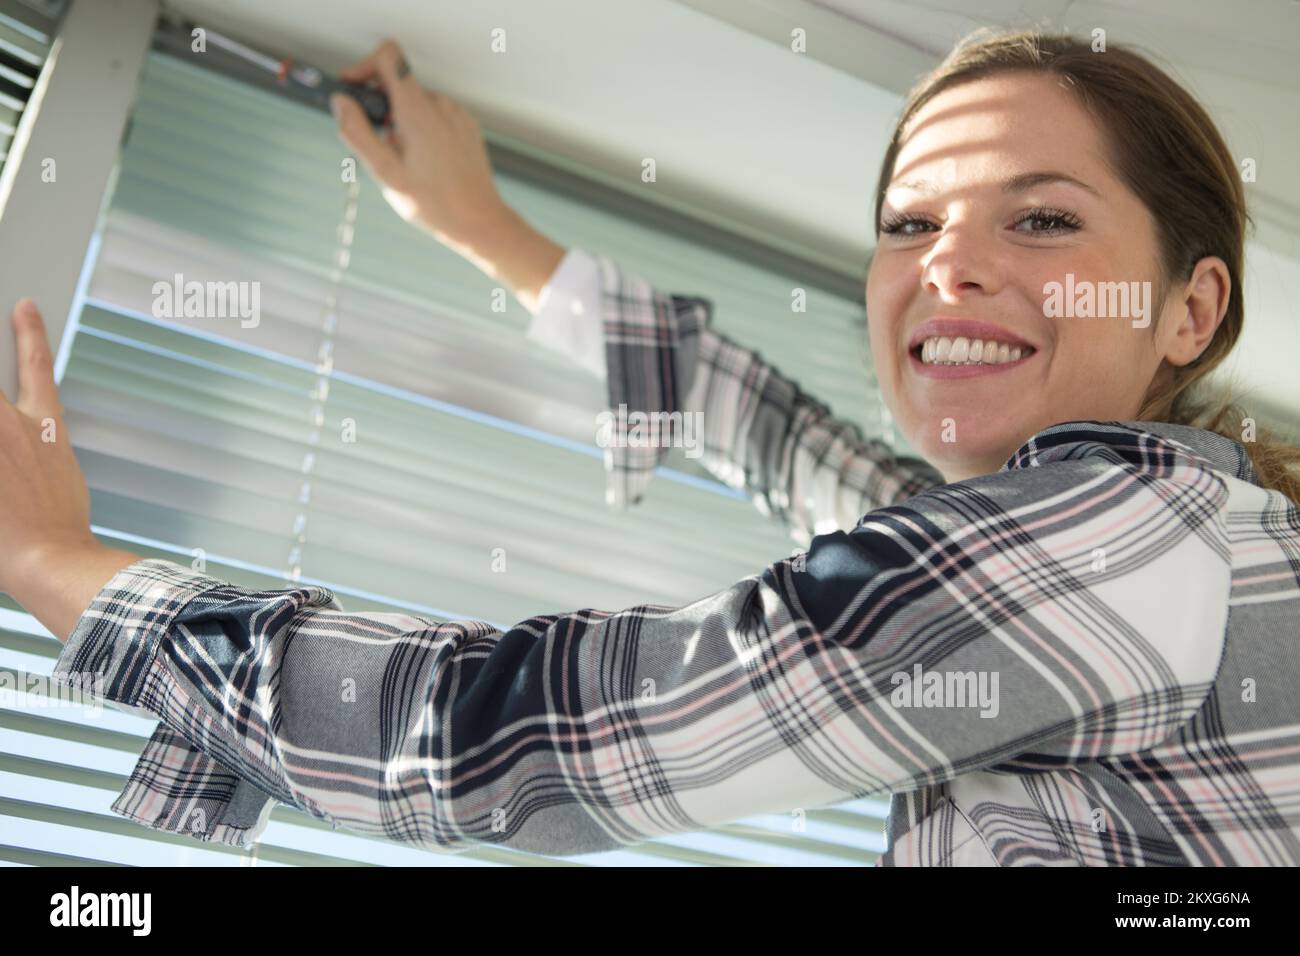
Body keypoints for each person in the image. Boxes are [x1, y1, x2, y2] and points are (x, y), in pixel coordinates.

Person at [2, 29, 1297, 865]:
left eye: (1044, 219)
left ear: (1191, 308)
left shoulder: (1109, 542)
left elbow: (514, 740)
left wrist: (61, 565)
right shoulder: (1162, 549)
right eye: (911, 225)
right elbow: (785, 445)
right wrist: (480, 227)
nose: (948, 265)